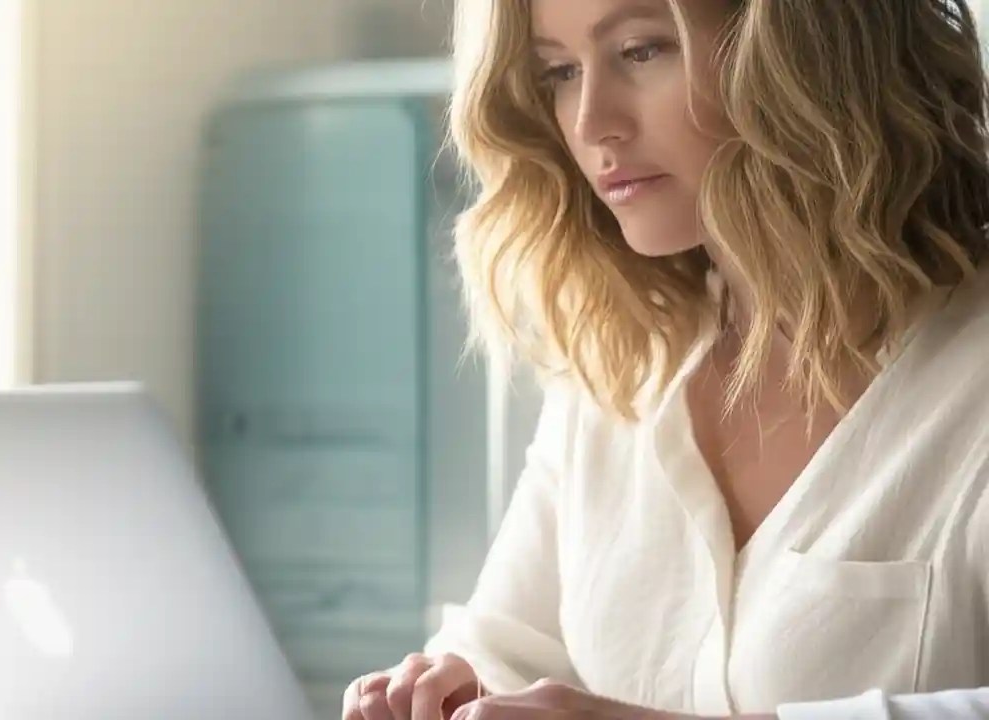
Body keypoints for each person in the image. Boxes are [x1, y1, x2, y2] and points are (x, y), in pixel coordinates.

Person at [342, 0, 989, 718]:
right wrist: (442, 689)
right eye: (559, 72)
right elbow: (509, 646)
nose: (590, 123)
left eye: (641, 50)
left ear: (806, 53)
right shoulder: (622, 365)